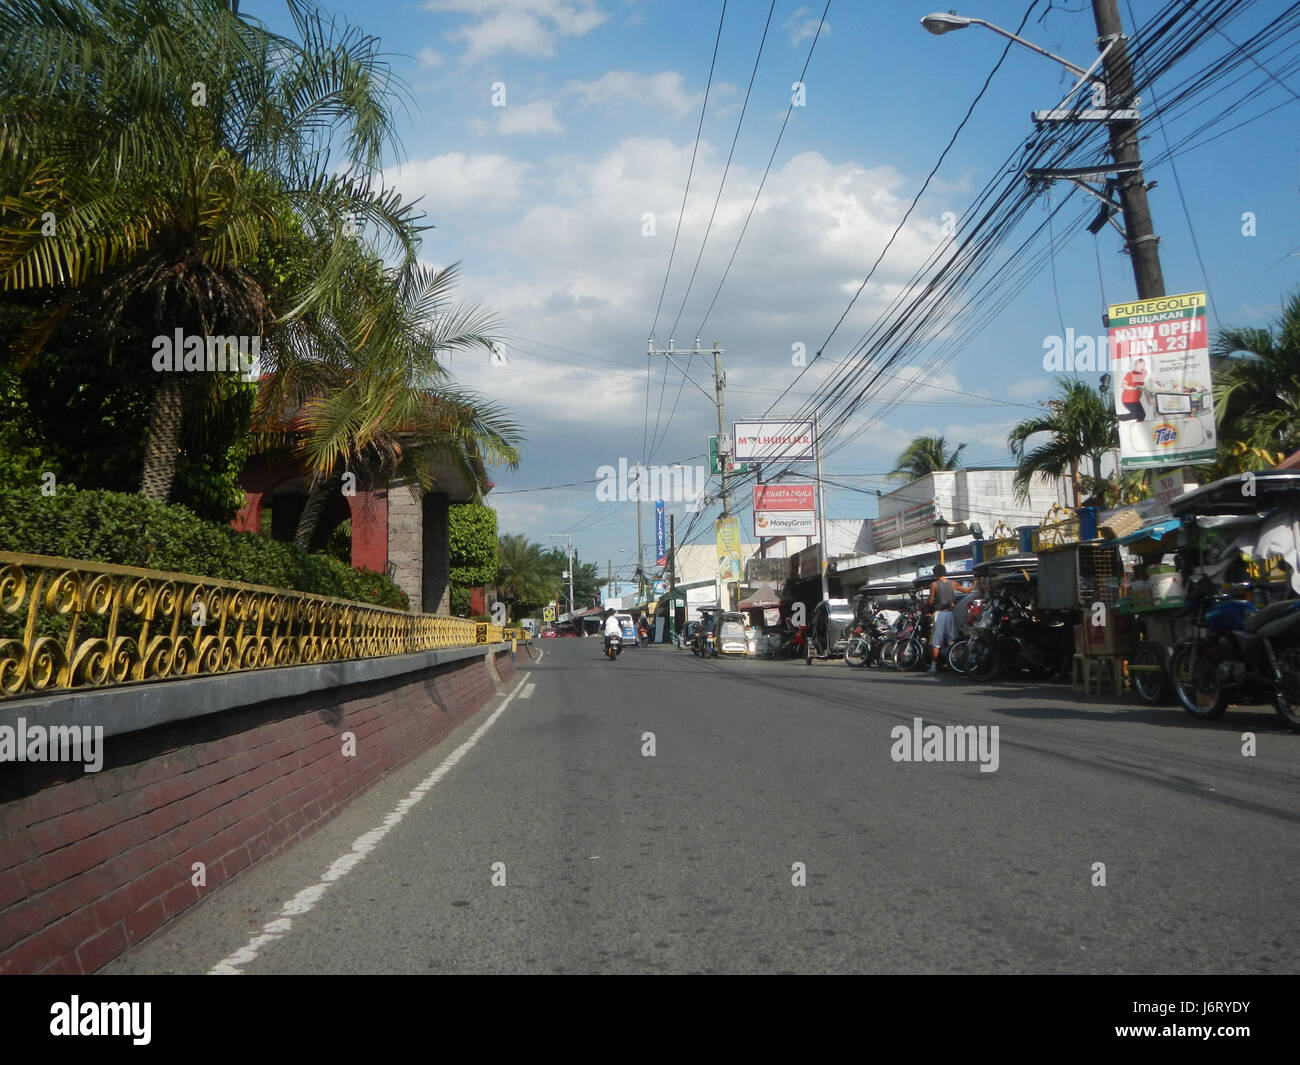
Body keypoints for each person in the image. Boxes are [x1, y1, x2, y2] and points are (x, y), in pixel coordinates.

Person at [927, 564, 972, 674]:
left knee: (936, 641)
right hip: (951, 614)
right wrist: (976, 584)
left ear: (936, 573)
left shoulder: (934, 585)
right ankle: (956, 662)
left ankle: (933, 667)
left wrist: (927, 605)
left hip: (940, 615)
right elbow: (966, 591)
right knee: (953, 640)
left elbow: (930, 602)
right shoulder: (953, 583)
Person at [1119, 357, 1148, 422]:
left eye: (1143, 364)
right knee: (1136, 415)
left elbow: (1141, 383)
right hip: (1128, 400)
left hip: (1136, 400)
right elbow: (1123, 385)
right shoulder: (1131, 374)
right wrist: (1133, 388)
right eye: (1140, 364)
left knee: (1142, 415)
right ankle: (1118, 418)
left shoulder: (1142, 374)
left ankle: (1137, 428)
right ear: (1136, 365)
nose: (1142, 366)